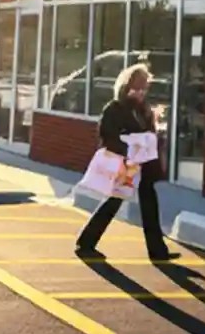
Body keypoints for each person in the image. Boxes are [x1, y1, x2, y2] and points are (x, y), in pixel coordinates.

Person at [75, 63, 179, 261]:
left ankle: (158, 251)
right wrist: (128, 146)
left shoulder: (143, 109)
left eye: (144, 87)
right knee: (114, 201)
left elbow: (148, 132)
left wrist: (155, 138)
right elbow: (107, 135)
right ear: (126, 86)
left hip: (143, 163)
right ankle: (86, 243)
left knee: (150, 204)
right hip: (127, 163)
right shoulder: (115, 108)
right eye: (137, 87)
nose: (141, 92)